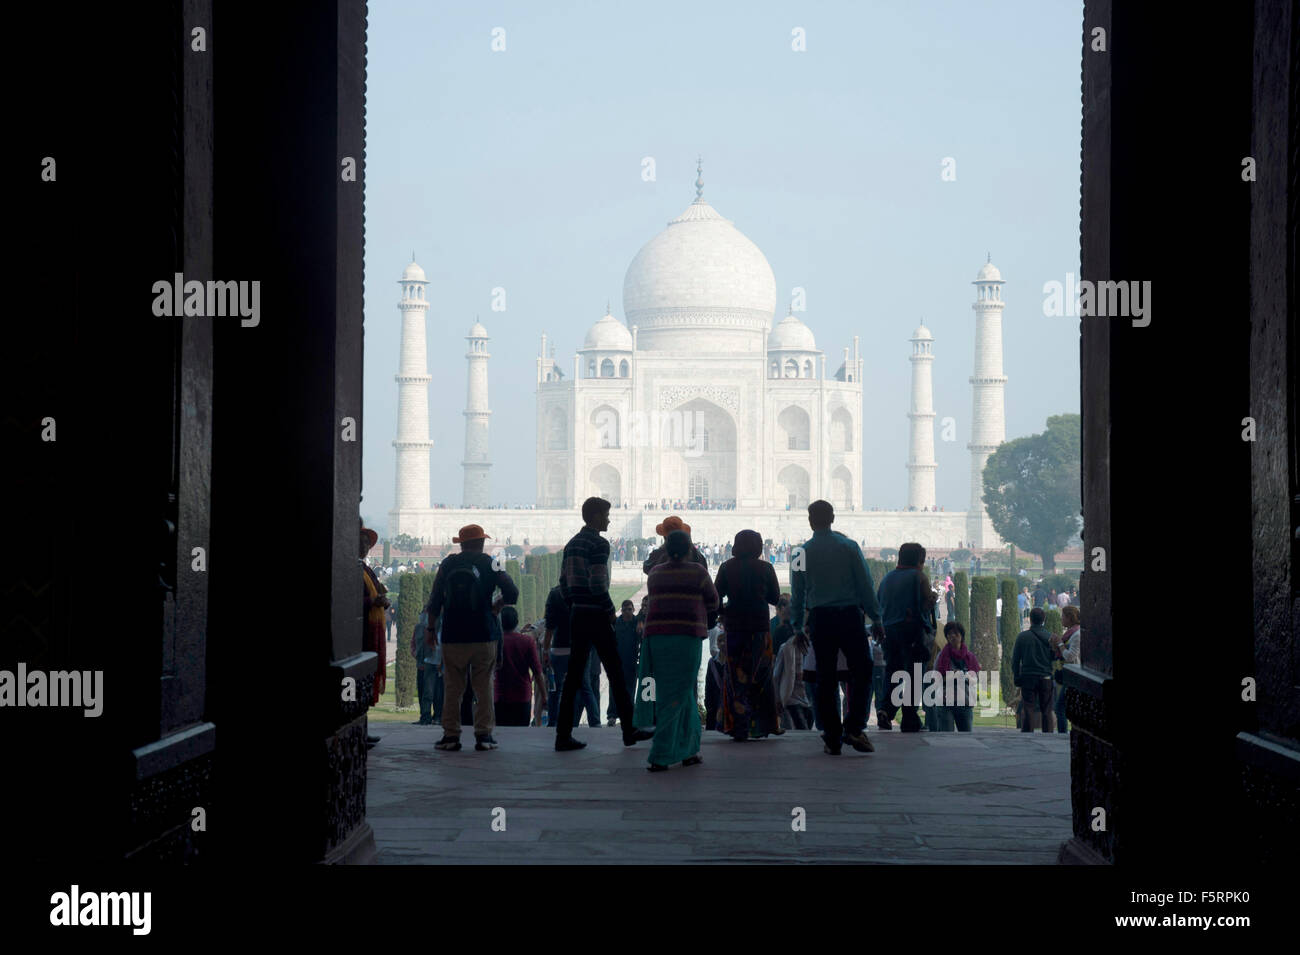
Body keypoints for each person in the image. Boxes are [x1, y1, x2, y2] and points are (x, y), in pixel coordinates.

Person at [555, 498, 653, 751]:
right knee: (616, 672)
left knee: (574, 675)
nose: (609, 520)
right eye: (607, 515)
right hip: (596, 615)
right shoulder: (598, 543)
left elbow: (563, 582)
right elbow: (598, 583)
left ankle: (562, 735)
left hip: (578, 613)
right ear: (596, 516)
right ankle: (629, 731)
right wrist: (610, 611)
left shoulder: (572, 543)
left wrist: (574, 605)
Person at [790, 500, 882, 755]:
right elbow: (865, 585)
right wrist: (877, 618)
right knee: (862, 671)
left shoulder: (800, 553)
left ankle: (832, 735)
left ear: (810, 521)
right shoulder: (849, 547)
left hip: (821, 619)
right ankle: (853, 726)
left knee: (825, 678)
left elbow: (797, 595)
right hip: (850, 617)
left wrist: (798, 627)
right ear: (833, 519)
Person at [424, 523, 518, 752]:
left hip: (452, 635)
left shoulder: (448, 564)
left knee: (453, 687)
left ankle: (451, 736)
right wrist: (497, 605)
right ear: (482, 542)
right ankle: (483, 736)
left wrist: (430, 629)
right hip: (484, 634)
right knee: (483, 686)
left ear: (462, 544)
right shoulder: (491, 562)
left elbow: (435, 599)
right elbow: (512, 593)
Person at [641, 529, 719, 770]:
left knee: (676, 694)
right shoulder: (698, 573)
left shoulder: (654, 574)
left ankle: (690, 751)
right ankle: (660, 754)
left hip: (659, 640)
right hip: (687, 638)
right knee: (680, 694)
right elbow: (714, 602)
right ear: (690, 549)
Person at [714, 529, 781, 741]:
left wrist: (725, 611)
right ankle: (762, 726)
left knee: (735, 678)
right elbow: (775, 597)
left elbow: (715, 597)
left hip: (735, 628)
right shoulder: (765, 568)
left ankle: (737, 727)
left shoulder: (726, 567)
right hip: (759, 629)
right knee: (761, 676)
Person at [876, 541, 937, 733]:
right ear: (919, 560)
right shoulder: (918, 577)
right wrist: (932, 600)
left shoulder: (887, 578)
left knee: (893, 673)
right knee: (913, 676)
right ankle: (910, 719)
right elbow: (924, 606)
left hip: (889, 632)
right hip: (912, 633)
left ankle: (885, 709)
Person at [360, 524, 388, 749]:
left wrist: (381, 600)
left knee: (366, 683)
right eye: (362, 541)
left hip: (368, 636)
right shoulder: (349, 568)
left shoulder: (364, 569)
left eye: (367, 543)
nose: (365, 547)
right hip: (353, 640)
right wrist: (372, 602)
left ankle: (361, 728)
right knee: (350, 684)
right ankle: (354, 727)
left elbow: (377, 592)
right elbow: (343, 602)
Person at [494, 607, 547, 727]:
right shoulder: (527, 642)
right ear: (516, 622)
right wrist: (544, 697)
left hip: (500, 697)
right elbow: (537, 673)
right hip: (522, 697)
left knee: (501, 735)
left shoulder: (494, 642)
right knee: (520, 735)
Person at [1012, 607, 1057, 732]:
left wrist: (1016, 676)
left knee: (1028, 708)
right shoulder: (1050, 637)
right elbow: (1054, 657)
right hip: (1045, 676)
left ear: (1030, 620)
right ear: (1043, 620)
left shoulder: (1022, 637)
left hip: (1028, 676)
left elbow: (1015, 660)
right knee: (1047, 710)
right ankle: (1048, 735)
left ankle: (1027, 735)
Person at [935, 620, 980, 731]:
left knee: (967, 737)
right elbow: (936, 678)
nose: (952, 636)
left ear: (961, 635)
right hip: (946, 703)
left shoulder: (970, 657)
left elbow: (975, 679)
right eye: (949, 634)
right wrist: (953, 675)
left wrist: (966, 677)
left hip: (964, 702)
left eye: (955, 633)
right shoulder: (942, 656)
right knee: (947, 737)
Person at [774, 628, 814, 729]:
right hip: (791, 700)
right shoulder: (785, 649)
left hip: (806, 700)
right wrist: (778, 699)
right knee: (801, 731)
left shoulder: (809, 649)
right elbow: (776, 676)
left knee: (806, 730)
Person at [609, 600, 640, 728]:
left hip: (631, 663)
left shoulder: (637, 622)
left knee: (630, 691)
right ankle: (612, 715)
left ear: (633, 610)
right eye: (625, 609)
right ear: (621, 611)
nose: (627, 612)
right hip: (617, 662)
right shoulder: (617, 623)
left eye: (629, 609)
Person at [1052, 604, 1082, 732]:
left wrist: (1059, 643)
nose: (1061, 619)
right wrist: (1056, 645)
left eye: (1063, 616)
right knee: (1063, 707)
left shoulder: (1076, 634)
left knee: (1060, 707)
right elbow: (1060, 653)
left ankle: (1062, 734)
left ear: (1070, 618)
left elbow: (1070, 656)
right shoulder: (1071, 633)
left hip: (1075, 673)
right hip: (1070, 673)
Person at [642, 515, 707, 574]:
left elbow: (647, 568)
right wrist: (689, 543)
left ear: (665, 537)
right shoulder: (695, 556)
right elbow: (704, 566)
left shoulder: (659, 554)